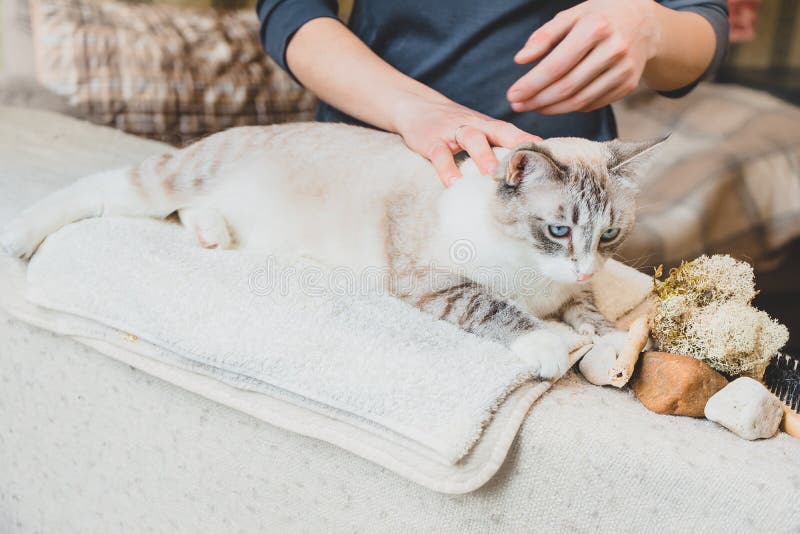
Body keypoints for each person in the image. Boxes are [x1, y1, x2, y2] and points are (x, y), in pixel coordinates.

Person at [257, 0, 729, 186]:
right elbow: (290, 11)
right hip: (367, 161)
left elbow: (703, 21)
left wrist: (651, 27)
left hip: (550, 198)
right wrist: (410, 108)